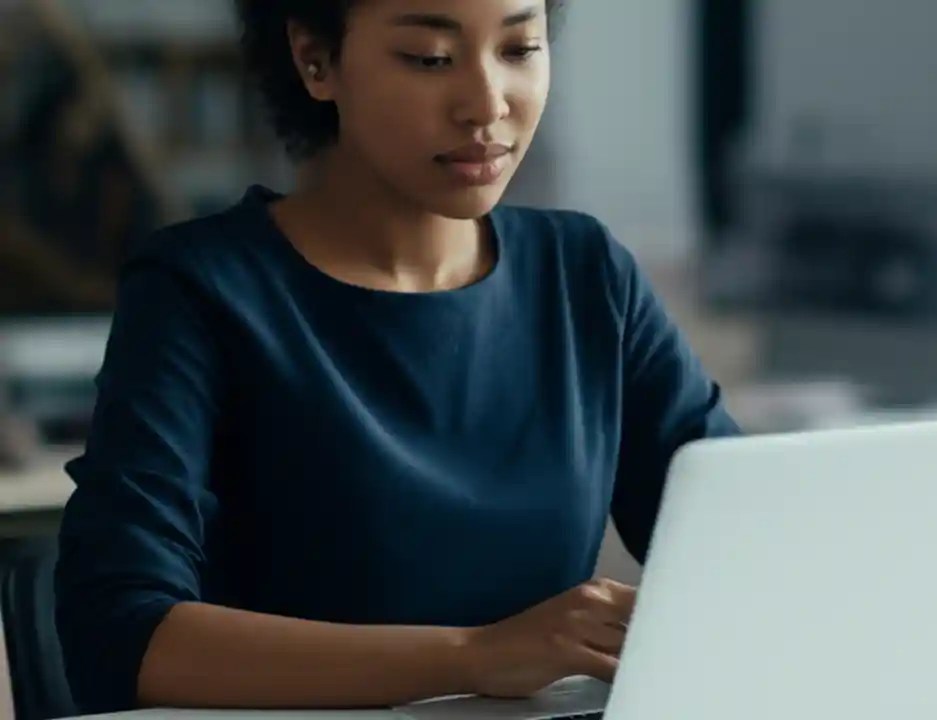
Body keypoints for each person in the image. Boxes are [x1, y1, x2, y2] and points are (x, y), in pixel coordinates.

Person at [54, 0, 739, 714]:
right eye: (430, 59)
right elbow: (122, 636)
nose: (487, 104)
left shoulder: (586, 274)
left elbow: (748, 543)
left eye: (518, 49)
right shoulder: (202, 290)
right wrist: (477, 656)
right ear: (316, 61)